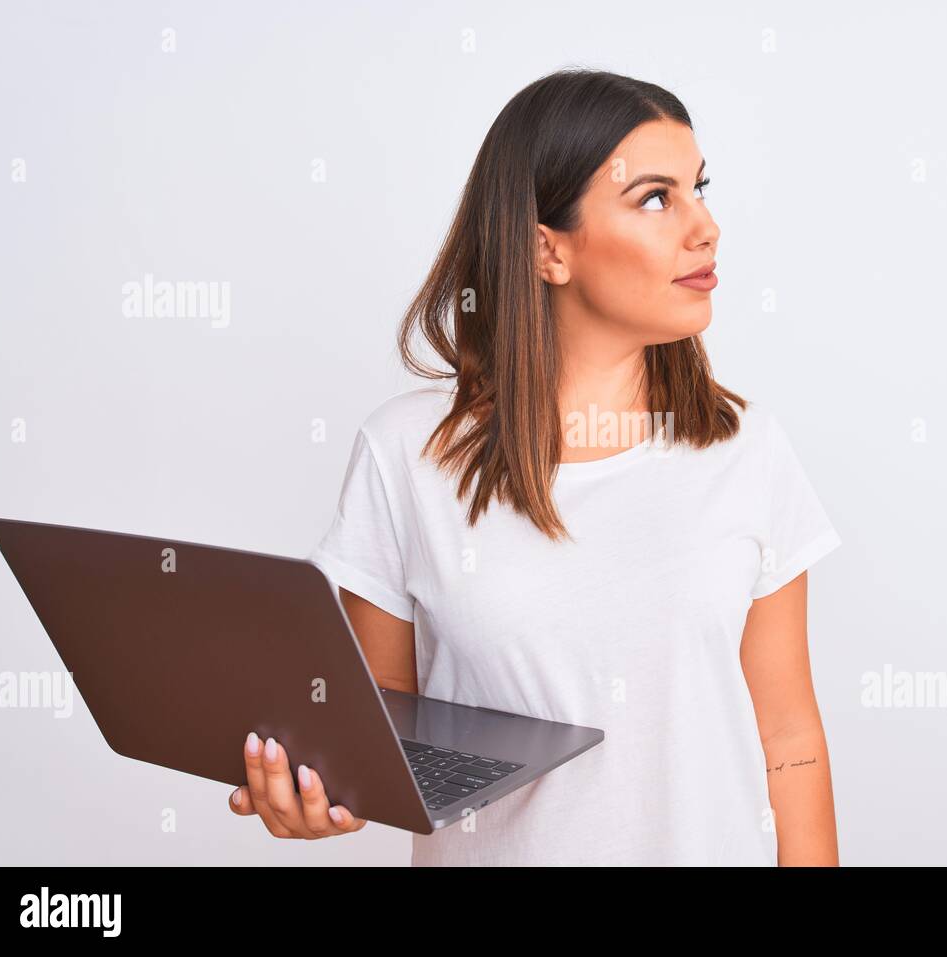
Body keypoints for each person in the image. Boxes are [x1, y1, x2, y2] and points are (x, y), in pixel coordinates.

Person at [227, 67, 842, 866]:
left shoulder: (746, 449)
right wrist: (312, 790)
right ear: (547, 248)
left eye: (700, 188)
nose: (705, 227)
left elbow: (788, 733)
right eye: (657, 198)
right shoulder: (406, 457)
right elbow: (377, 738)